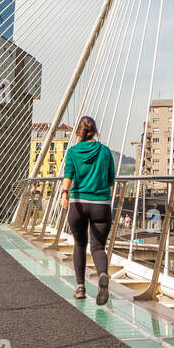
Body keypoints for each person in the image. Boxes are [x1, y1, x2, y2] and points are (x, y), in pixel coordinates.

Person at [60, 116, 115, 303]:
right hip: (101, 204)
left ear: (79, 132)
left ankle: (80, 287)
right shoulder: (106, 151)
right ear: (95, 131)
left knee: (79, 244)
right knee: (98, 247)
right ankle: (102, 275)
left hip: (78, 203)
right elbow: (110, 180)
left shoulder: (73, 152)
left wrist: (64, 194)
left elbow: (68, 174)